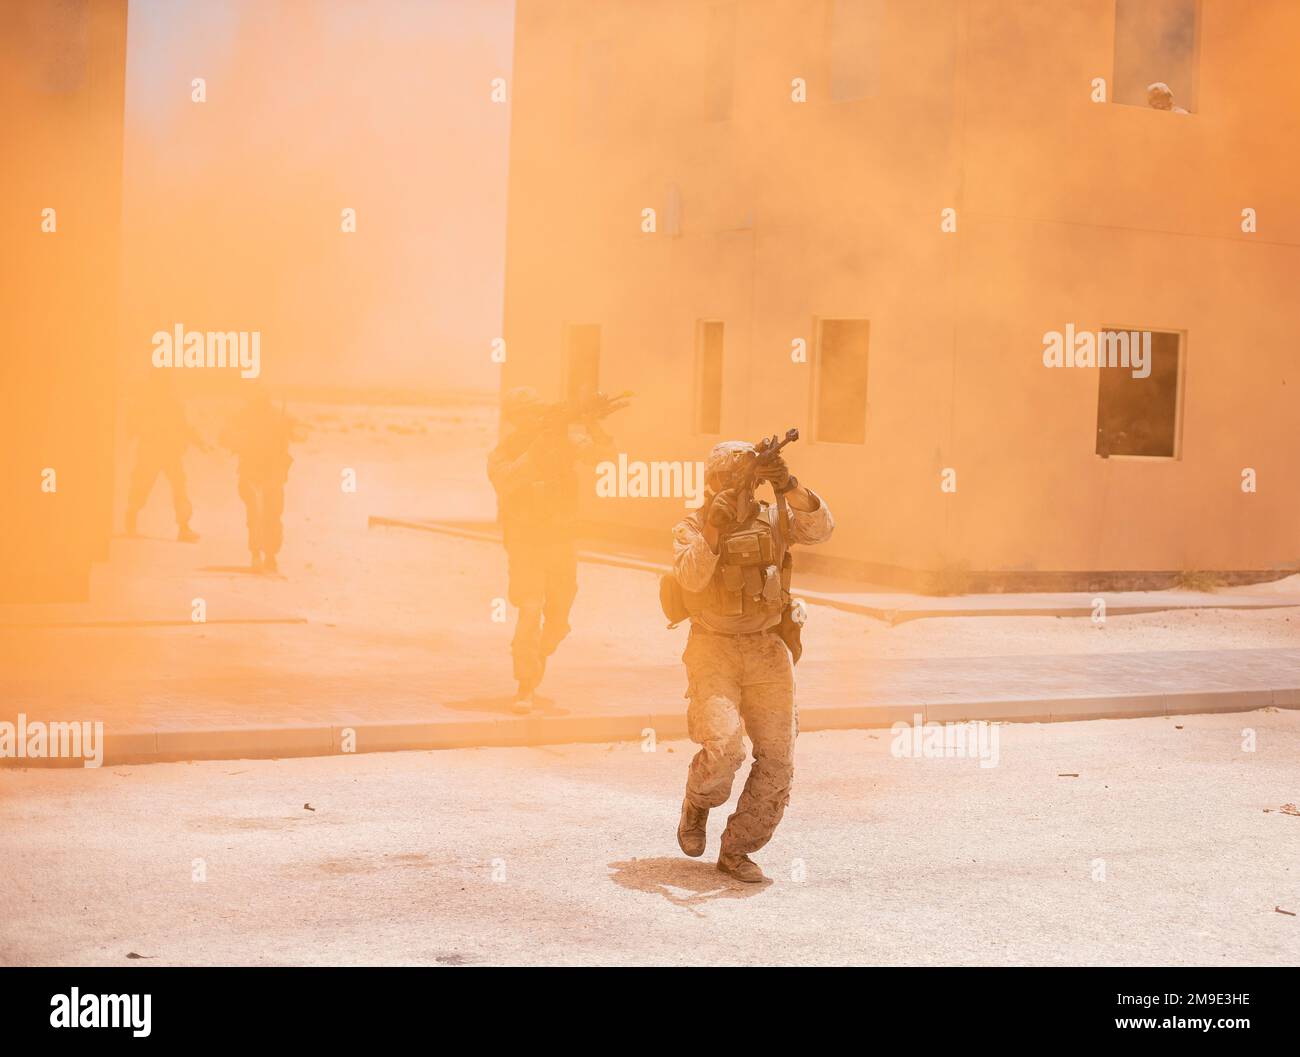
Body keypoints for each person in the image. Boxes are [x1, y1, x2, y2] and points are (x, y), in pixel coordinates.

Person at [670, 440, 834, 883]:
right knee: (725, 749)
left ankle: (738, 849)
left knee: (778, 760)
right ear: (712, 482)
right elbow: (690, 577)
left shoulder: (776, 516)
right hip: (713, 647)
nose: (737, 490)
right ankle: (698, 801)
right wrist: (714, 528)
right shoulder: (693, 525)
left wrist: (791, 485)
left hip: (766, 648)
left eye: (744, 481)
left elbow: (821, 529)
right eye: (727, 481)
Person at [487, 386, 611, 714]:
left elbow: (604, 457)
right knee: (530, 610)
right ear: (514, 419)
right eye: (525, 414)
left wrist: (592, 424)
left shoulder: (564, 442)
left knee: (558, 619)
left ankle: (540, 652)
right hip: (525, 544)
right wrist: (539, 448)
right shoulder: (503, 453)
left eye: (536, 413)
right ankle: (525, 684)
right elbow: (507, 481)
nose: (532, 419)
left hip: (560, 543)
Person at [220, 386, 294, 572]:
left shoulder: (277, 416)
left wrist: (290, 429)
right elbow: (225, 437)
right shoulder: (244, 416)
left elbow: (297, 433)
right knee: (256, 515)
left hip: (273, 473)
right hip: (252, 472)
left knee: (272, 515)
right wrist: (237, 439)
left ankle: (269, 555)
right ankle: (257, 554)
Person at [124, 372, 203, 542]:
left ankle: (182, 527)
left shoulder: (159, 403)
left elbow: (183, 426)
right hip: (156, 452)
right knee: (146, 486)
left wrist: (200, 443)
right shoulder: (152, 403)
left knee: (175, 487)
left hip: (163, 452)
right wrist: (199, 443)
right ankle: (181, 528)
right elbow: (183, 427)